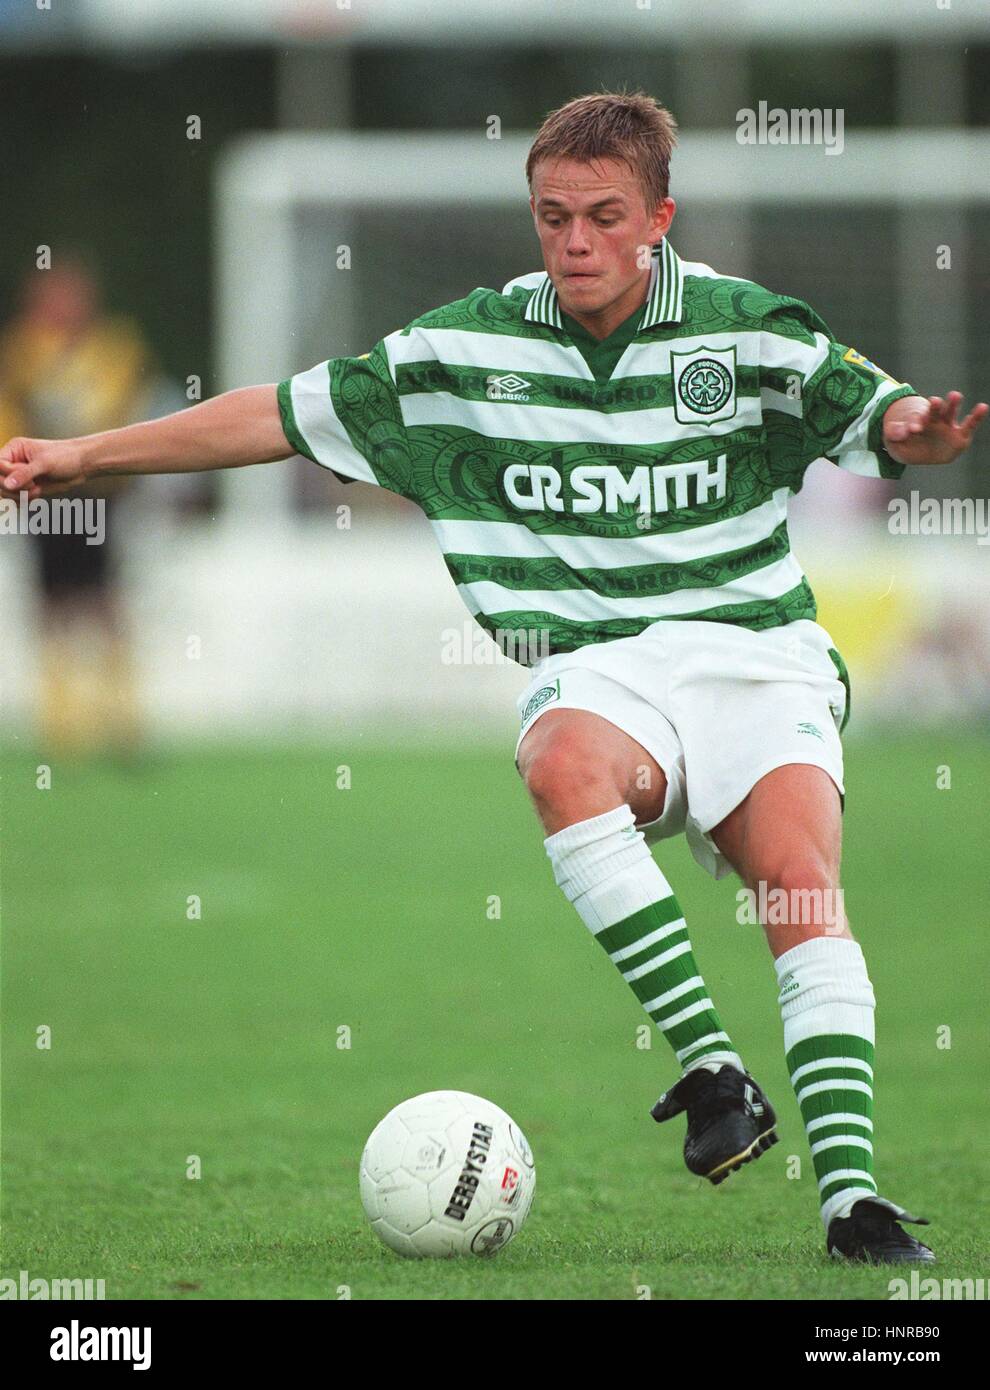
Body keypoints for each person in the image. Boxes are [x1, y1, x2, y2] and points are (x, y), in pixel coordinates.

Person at [2, 92, 985, 1263]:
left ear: (658, 218)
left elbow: (871, 412)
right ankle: (713, 1068)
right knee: (560, 763)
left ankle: (853, 1203)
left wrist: (917, 430)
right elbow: (277, 414)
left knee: (798, 891)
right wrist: (80, 453)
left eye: (603, 217)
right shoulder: (470, 346)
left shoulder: (746, 326)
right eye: (553, 216)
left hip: (757, 651)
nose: (574, 241)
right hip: (604, 666)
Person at [0, 256, 154, 757]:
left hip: (98, 494)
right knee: (52, 604)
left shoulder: (115, 347)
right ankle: (63, 725)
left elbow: (119, 412)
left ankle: (121, 719)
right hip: (44, 496)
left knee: (106, 601)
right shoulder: (22, 350)